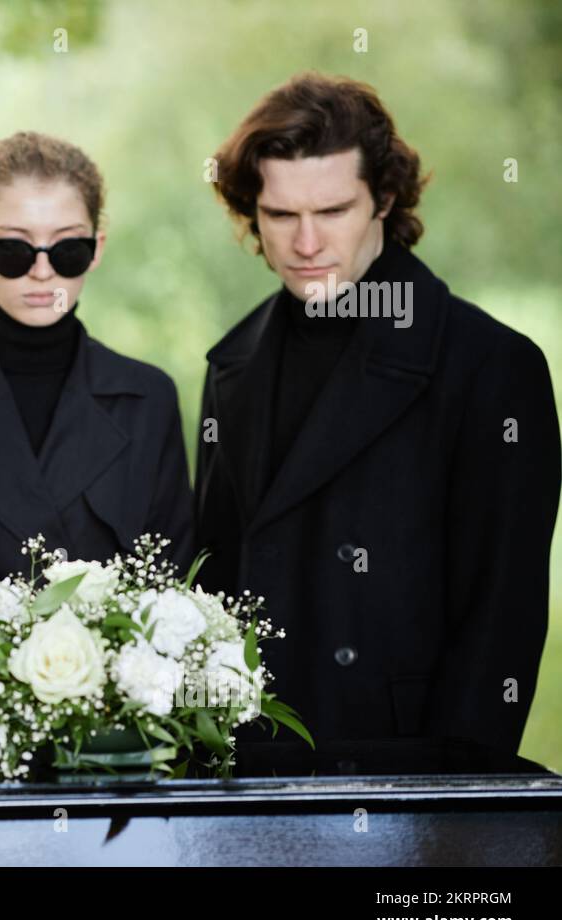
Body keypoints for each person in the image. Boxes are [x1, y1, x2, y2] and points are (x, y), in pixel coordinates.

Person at [195, 72, 560, 753]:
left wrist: (446, 817)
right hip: (245, 782)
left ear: (384, 199)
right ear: (252, 214)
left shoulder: (490, 367)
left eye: (333, 212)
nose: (306, 244)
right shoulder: (230, 368)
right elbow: (212, 589)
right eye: (281, 216)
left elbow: (500, 628)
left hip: (402, 785)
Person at [0, 132, 193, 579]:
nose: (43, 271)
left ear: (97, 250)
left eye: (68, 249)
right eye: (14, 249)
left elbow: (175, 581)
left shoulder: (148, 400)